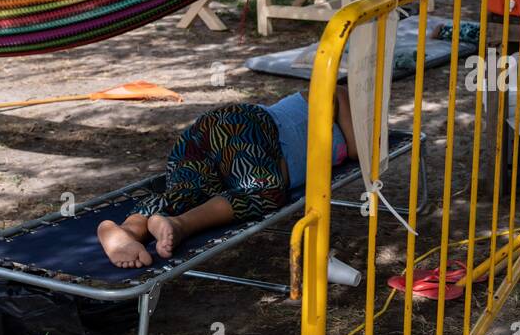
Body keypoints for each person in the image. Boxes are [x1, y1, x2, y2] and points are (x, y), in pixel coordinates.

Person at [96, 87, 358, 268]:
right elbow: (361, 152)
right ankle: (180, 225)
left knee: (189, 192)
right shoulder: (337, 92)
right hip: (241, 127)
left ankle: (127, 229)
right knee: (263, 192)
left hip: (209, 139)